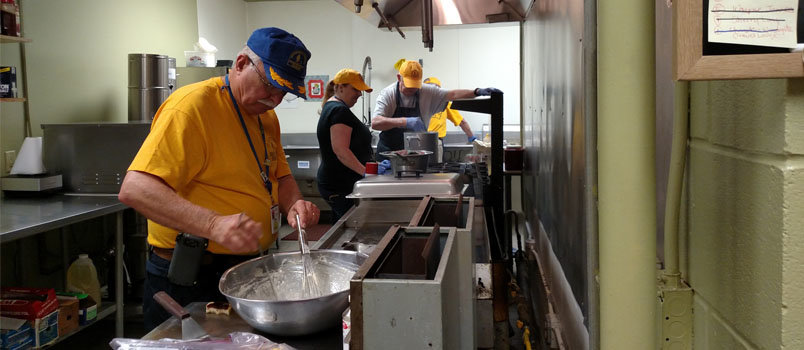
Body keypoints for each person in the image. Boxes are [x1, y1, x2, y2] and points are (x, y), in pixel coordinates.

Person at [118, 27, 321, 331]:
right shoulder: (191, 108)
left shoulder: (266, 116)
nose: (275, 99)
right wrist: (213, 225)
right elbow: (136, 189)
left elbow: (279, 174)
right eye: (270, 85)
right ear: (240, 64)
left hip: (246, 270)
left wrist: (295, 203)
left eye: (284, 92)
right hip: (191, 276)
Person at [371, 60, 501, 160]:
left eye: (415, 86)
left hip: (414, 155)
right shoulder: (388, 94)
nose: (412, 89)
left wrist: (476, 92)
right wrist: (405, 121)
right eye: (408, 85)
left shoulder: (426, 91)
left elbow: (453, 94)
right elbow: (375, 123)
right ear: (399, 78)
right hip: (388, 155)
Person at [316, 69, 374, 222]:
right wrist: (365, 172)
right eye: (355, 89)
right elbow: (341, 150)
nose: (360, 94)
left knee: (341, 227)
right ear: (340, 87)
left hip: (337, 183)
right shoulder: (339, 111)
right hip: (340, 185)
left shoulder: (333, 108)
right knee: (351, 228)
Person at [422, 76, 477, 162]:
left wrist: (472, 137)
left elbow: (461, 121)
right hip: (434, 142)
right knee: (435, 171)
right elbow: (462, 122)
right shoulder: (444, 103)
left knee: (420, 171)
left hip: (419, 141)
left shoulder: (418, 102)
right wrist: (472, 137)